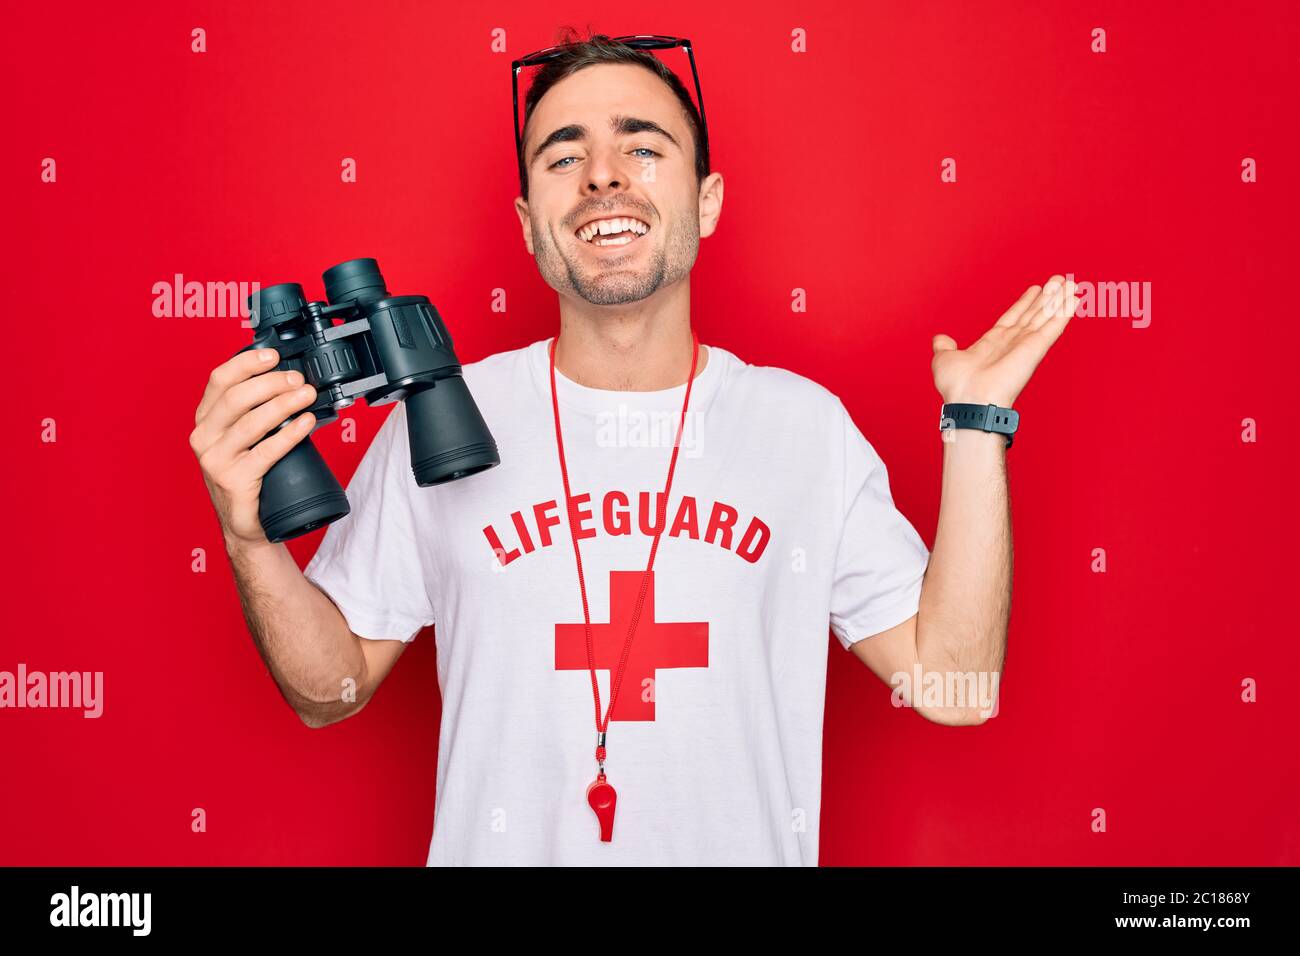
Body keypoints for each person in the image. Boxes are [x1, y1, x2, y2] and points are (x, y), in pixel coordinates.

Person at [189, 31, 1077, 866]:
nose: (602, 178)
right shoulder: (441, 418)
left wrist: (976, 421)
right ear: (530, 223)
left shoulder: (804, 430)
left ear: (709, 200)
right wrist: (249, 537)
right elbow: (327, 691)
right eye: (563, 157)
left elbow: (956, 684)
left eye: (642, 147)